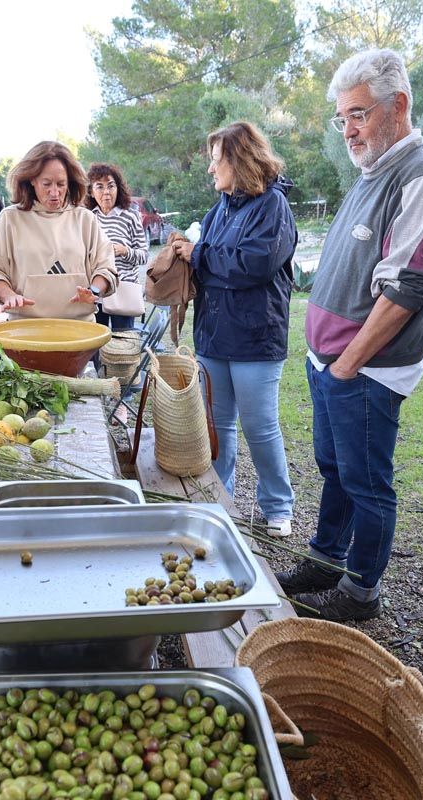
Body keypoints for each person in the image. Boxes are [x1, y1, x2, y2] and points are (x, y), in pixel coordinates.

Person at [273, 49, 423, 621]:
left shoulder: (420, 175)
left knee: (367, 483)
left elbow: (409, 287)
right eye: (342, 118)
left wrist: (348, 364)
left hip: (367, 369)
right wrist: (326, 362)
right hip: (332, 365)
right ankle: (326, 561)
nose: (349, 129)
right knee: (336, 471)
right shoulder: (372, 172)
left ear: (397, 105)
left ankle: (360, 593)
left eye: (358, 114)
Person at [170, 122, 297, 539]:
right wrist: (186, 255)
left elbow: (253, 265)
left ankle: (277, 506)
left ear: (239, 160)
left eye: (215, 160)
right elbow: (216, 260)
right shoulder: (219, 209)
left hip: (256, 338)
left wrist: (199, 254)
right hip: (213, 336)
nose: (211, 169)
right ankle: (220, 499)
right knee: (217, 426)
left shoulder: (273, 206)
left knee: (260, 427)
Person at [0, 141, 116, 321]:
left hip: (79, 328)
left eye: (61, 184)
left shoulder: (85, 219)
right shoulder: (9, 219)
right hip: (25, 328)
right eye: (47, 184)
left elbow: (106, 267)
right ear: (32, 180)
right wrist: (8, 296)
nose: (54, 192)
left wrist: (94, 290)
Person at [85, 163, 148, 330]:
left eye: (111, 186)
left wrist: (125, 251)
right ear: (91, 191)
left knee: (123, 338)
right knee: (96, 338)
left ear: (118, 188)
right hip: (96, 293)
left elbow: (144, 255)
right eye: (99, 187)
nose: (106, 192)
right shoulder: (88, 218)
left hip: (124, 292)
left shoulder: (131, 216)